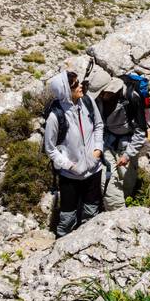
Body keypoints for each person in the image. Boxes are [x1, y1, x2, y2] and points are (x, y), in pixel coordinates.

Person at [44, 70, 104, 238]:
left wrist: (97, 151)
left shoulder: (87, 101)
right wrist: (70, 166)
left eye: (79, 82)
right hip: (70, 175)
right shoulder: (55, 117)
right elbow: (50, 148)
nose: (80, 86)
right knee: (67, 219)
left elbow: (99, 126)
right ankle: (61, 247)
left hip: (94, 170)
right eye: (75, 85)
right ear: (65, 91)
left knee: (91, 213)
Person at [88, 66, 148, 212]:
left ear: (109, 89)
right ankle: (116, 214)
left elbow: (141, 132)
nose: (99, 97)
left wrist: (128, 155)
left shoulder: (132, 98)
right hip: (106, 142)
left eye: (101, 93)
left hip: (127, 145)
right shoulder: (100, 100)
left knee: (127, 181)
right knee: (106, 180)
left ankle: (126, 207)